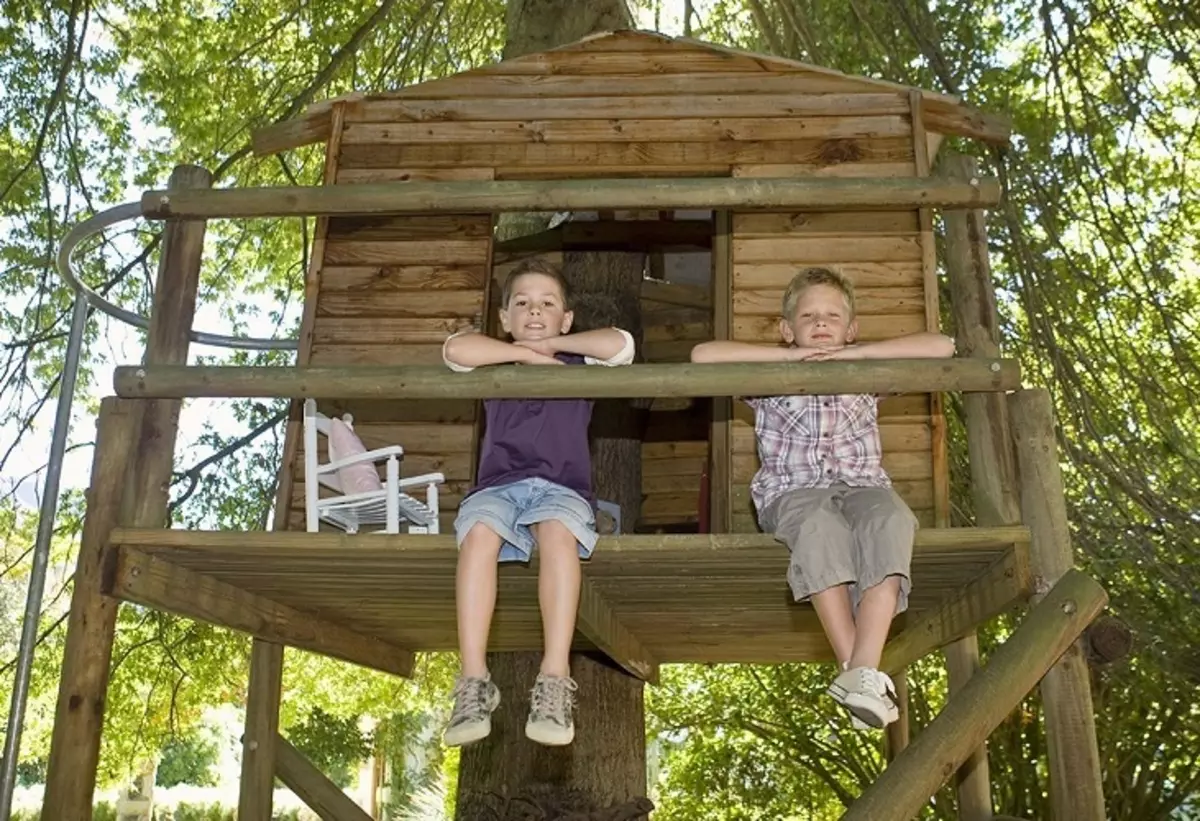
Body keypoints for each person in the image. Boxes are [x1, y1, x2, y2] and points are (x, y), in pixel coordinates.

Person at [690, 267, 954, 728]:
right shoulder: (766, 377)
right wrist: (787, 360)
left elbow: (943, 347)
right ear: (787, 329)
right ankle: (858, 674)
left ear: (850, 328)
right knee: (819, 529)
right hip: (794, 492)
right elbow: (703, 355)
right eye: (808, 316)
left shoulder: (867, 371)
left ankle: (860, 672)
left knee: (893, 523)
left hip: (865, 487)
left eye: (833, 315)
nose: (820, 323)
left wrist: (859, 354)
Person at [440, 258, 635, 747]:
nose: (534, 311)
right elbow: (453, 349)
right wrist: (526, 356)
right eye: (522, 303)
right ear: (504, 318)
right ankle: (473, 680)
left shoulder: (576, 361)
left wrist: (553, 347)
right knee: (479, 536)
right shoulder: (494, 357)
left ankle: (552, 678)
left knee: (557, 535)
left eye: (548, 304)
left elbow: (622, 345)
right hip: (497, 487)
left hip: (560, 488)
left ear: (566, 319)